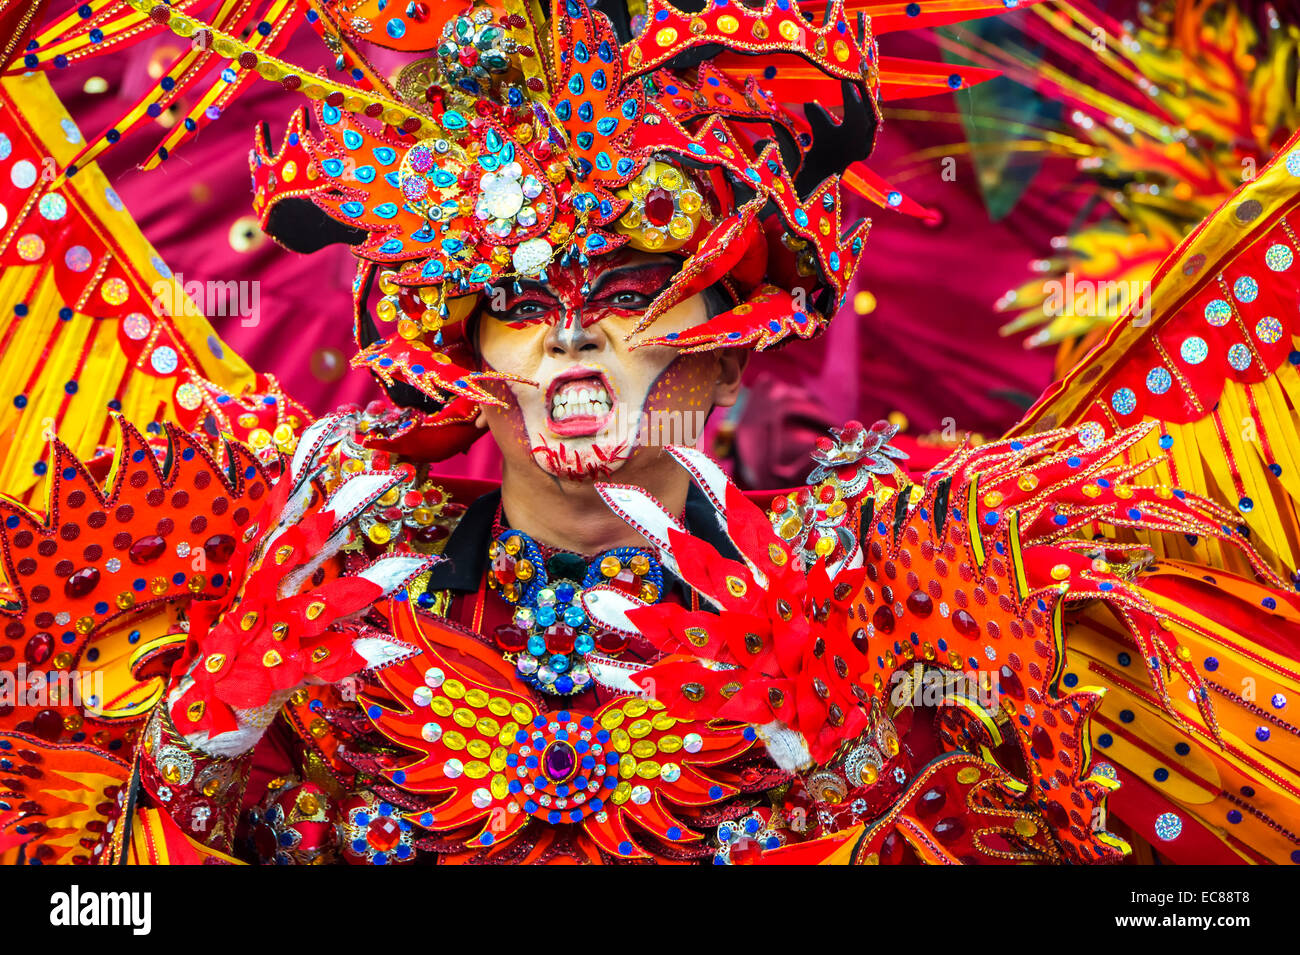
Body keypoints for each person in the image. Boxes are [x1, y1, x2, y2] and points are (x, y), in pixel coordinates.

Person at [0, 0, 1297, 866]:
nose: (570, 338)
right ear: (459, 355)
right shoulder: (323, 580)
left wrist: (843, 762)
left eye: (624, 296)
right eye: (516, 304)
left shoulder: (884, 578)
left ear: (729, 330)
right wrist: (205, 732)